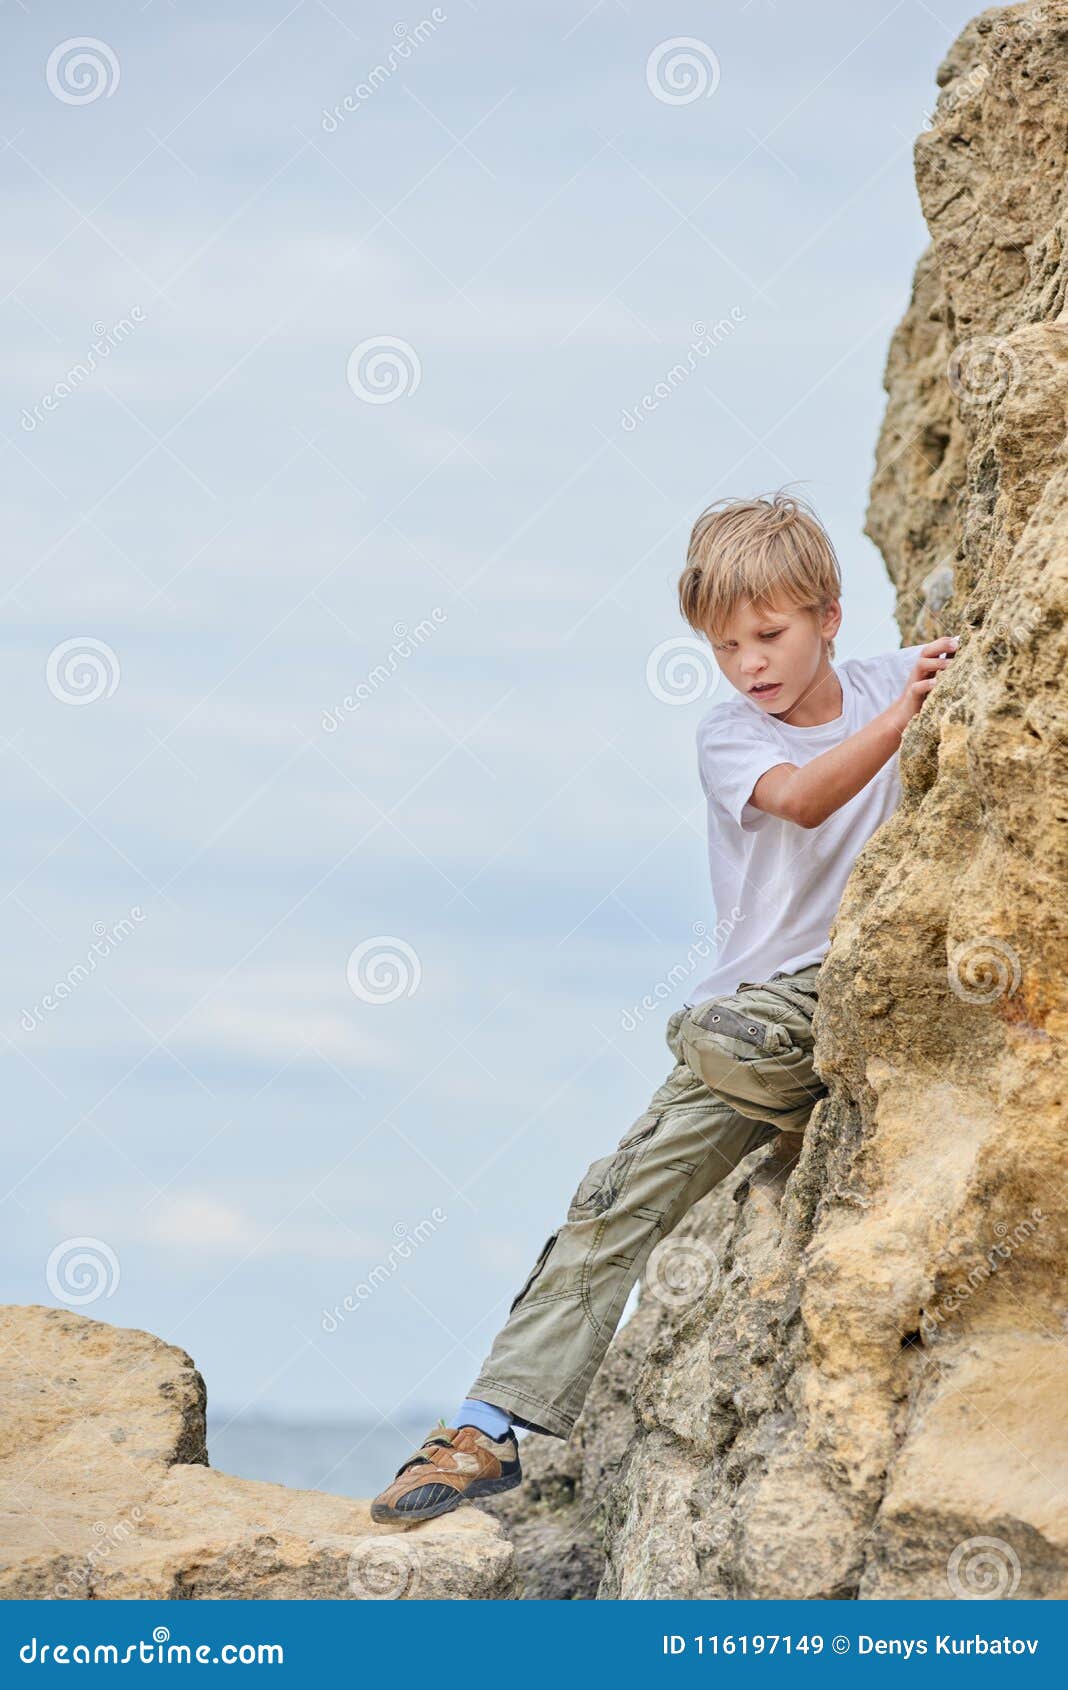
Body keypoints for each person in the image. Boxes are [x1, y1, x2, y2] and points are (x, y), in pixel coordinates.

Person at [371, 489, 958, 1526]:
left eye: (769, 634)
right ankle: (488, 1425)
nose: (750, 664)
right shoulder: (731, 736)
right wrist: (905, 719)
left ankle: (750, 1064)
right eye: (725, 645)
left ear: (829, 614)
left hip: (857, 986)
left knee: (733, 1037)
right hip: (761, 1016)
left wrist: (929, 688)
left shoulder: (884, 681)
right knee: (612, 1199)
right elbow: (805, 798)